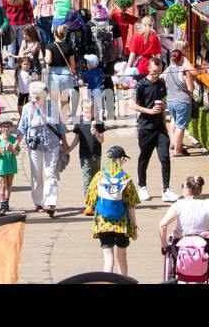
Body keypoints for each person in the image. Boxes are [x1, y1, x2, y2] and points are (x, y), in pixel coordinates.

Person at [86, 145, 140, 277]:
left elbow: (90, 200)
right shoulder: (125, 178)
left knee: (108, 259)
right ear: (120, 159)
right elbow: (131, 204)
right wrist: (134, 226)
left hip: (103, 223)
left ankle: (106, 281)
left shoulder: (99, 176)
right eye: (124, 160)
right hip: (121, 224)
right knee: (122, 257)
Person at [17, 81, 67, 217]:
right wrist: (16, 143)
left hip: (52, 143)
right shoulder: (28, 108)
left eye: (37, 95)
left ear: (43, 95)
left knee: (50, 173)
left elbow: (60, 126)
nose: (34, 97)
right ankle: (39, 201)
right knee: (36, 174)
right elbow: (22, 127)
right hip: (34, 144)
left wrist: (65, 143)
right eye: (33, 94)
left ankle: (50, 203)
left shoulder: (53, 106)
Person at [132, 56, 175, 202]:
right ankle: (142, 187)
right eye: (154, 71)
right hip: (146, 127)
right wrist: (149, 111)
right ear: (149, 69)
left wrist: (166, 125)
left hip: (160, 128)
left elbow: (162, 104)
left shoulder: (162, 83)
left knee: (165, 157)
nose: (156, 73)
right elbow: (132, 105)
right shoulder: (142, 84)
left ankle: (166, 189)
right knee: (144, 158)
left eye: (159, 70)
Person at [158, 175, 209, 258]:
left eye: (183, 186)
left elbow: (162, 225)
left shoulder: (178, 205)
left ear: (188, 189)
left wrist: (164, 246)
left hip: (180, 246)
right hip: (206, 248)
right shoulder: (208, 205)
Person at [71, 97, 107, 202]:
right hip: (84, 156)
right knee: (87, 180)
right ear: (82, 111)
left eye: (91, 111)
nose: (89, 114)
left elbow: (102, 140)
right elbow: (76, 139)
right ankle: (89, 203)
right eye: (86, 111)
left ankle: (96, 201)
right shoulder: (79, 123)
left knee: (96, 179)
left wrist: (95, 132)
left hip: (96, 155)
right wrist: (69, 149)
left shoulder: (98, 123)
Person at [164, 45, 197, 157]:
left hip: (170, 100)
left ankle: (174, 143)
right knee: (181, 126)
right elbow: (190, 88)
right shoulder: (184, 70)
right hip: (182, 101)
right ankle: (177, 150)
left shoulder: (168, 69)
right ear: (182, 58)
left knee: (174, 119)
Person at [0, 118, 19, 214]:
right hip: (1, 165)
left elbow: (17, 153)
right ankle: (2, 205)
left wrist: (11, 149)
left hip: (11, 164)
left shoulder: (13, 139)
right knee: (2, 184)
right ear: (0, 128)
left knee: (9, 184)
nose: (6, 129)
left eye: (7, 127)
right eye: (3, 127)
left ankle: (7, 201)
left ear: (10, 128)